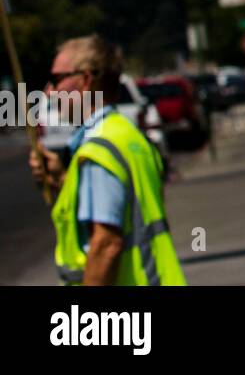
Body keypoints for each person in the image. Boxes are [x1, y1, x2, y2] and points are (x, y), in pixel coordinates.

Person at [29, 35, 186, 286]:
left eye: (58, 79)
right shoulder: (127, 134)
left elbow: (106, 245)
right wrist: (61, 178)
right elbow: (128, 215)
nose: (50, 91)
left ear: (85, 80)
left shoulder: (99, 150)